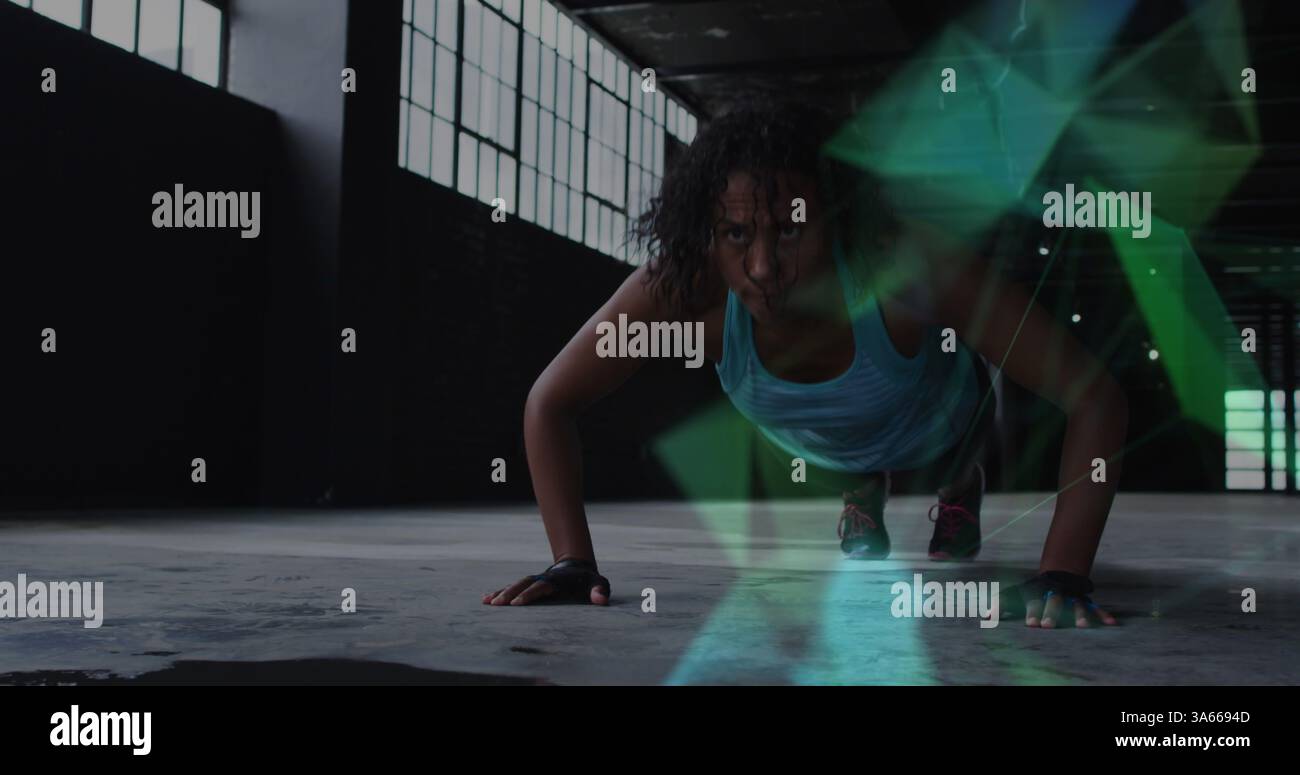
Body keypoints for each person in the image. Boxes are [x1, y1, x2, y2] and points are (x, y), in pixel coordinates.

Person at [483, 99, 1127, 629]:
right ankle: (861, 493)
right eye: (738, 235)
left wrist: (1063, 573)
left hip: (943, 427)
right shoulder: (684, 285)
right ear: (710, 233)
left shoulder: (909, 270)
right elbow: (550, 402)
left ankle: (960, 489)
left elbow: (1095, 397)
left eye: (790, 229)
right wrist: (571, 561)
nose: (762, 268)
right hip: (826, 445)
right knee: (846, 450)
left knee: (958, 433)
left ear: (838, 221)